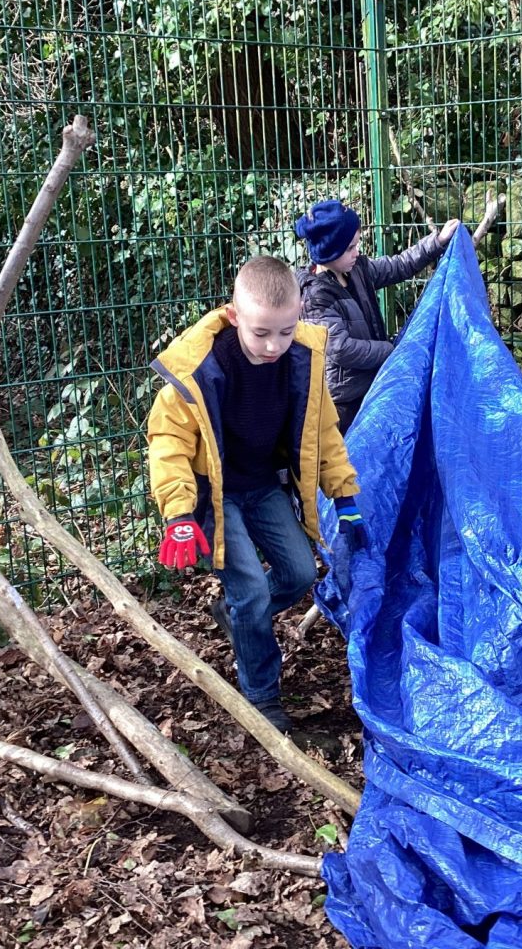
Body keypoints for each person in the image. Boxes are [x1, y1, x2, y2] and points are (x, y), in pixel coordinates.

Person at [146, 255, 367, 734]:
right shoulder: (196, 371)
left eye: (286, 331)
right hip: (216, 495)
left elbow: (322, 432)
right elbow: (168, 443)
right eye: (262, 332)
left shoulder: (302, 362)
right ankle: (262, 697)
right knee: (248, 587)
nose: (274, 345)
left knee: (300, 571)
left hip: (264, 486)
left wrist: (345, 496)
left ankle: (236, 615)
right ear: (234, 316)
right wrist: (179, 513)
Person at [295, 199, 459, 432]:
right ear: (329, 251)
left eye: (357, 244)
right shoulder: (316, 297)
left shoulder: (358, 269)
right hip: (343, 401)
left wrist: (438, 242)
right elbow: (340, 348)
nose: (357, 252)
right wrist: (389, 351)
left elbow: (399, 265)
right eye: (350, 248)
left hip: (370, 385)